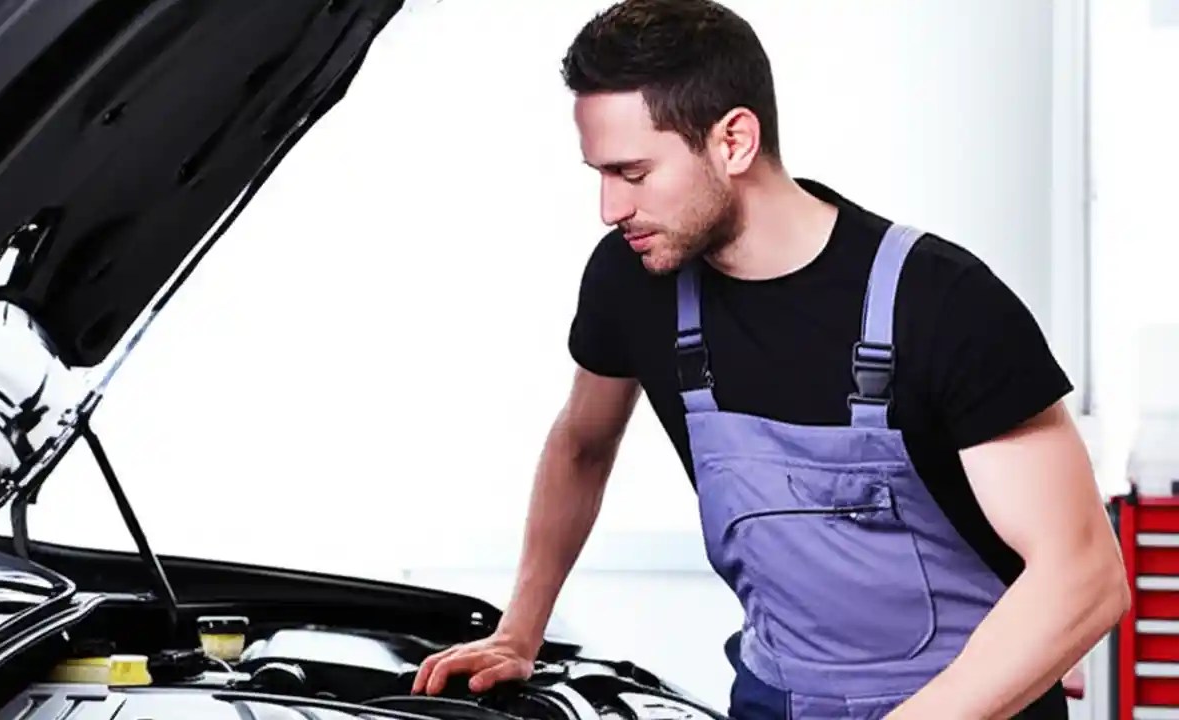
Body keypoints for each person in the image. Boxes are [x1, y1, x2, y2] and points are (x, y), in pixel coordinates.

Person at [411, 0, 1130, 717]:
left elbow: (1084, 576)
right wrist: (520, 630)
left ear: (734, 140)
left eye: (633, 173)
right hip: (776, 699)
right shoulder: (632, 283)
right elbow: (582, 443)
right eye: (599, 173)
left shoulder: (941, 303)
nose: (609, 207)